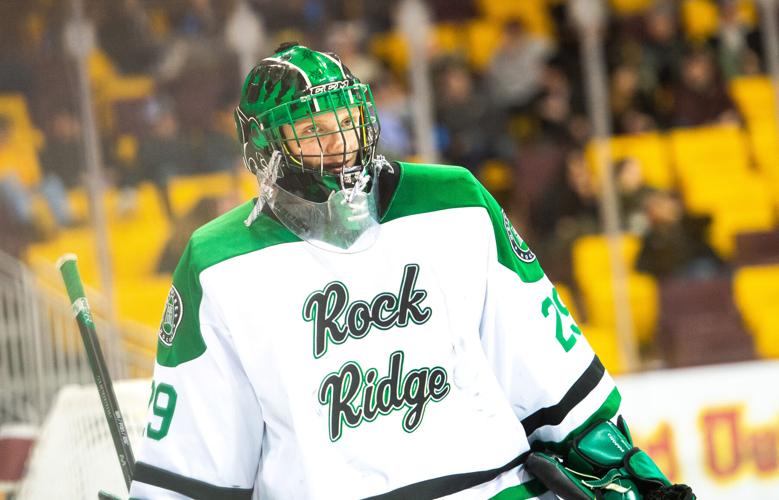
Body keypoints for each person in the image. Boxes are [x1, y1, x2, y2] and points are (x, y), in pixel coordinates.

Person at [129, 43, 693, 499]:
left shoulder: (453, 202)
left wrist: (620, 467)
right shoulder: (219, 265)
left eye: (348, 123)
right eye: (314, 132)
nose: (341, 146)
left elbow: (549, 368)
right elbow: (194, 465)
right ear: (265, 148)